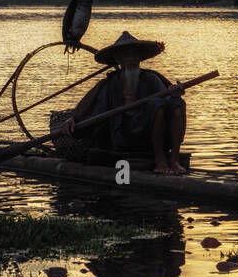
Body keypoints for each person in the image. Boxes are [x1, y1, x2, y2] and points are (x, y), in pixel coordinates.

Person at [61, 30, 187, 175]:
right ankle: (160, 161)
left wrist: (174, 94)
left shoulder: (151, 79)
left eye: (135, 55)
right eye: (127, 55)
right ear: (118, 60)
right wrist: (74, 119)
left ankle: (173, 160)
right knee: (156, 105)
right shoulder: (110, 84)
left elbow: (167, 103)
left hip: (150, 137)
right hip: (123, 137)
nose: (132, 59)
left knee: (173, 103)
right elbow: (96, 110)